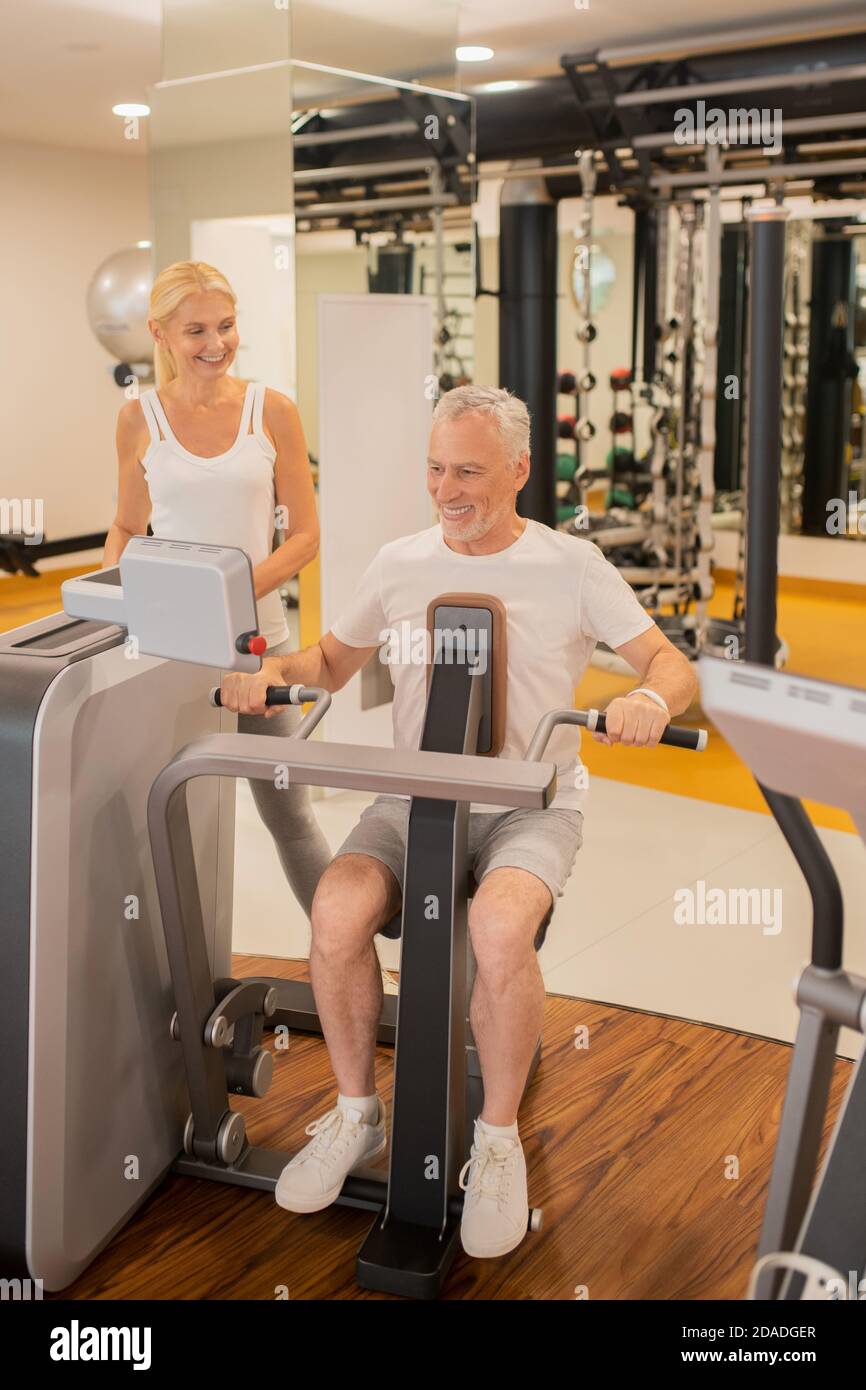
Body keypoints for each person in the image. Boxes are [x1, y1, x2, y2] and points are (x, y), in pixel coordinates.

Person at [218, 384, 698, 1259]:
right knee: (334, 911)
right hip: (412, 798)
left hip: (529, 807)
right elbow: (328, 661)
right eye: (436, 468)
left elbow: (669, 663)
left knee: (498, 927)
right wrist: (262, 670)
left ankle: (499, 1138)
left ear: (520, 469)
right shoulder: (400, 561)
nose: (448, 488)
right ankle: (358, 1112)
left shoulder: (570, 566)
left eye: (469, 470)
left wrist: (646, 698)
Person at [103, 260, 331, 917]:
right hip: (166, 651)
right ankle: (166, 979)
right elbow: (124, 524)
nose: (215, 344)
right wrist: (111, 600)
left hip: (257, 648)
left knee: (290, 816)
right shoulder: (137, 419)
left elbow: (305, 538)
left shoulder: (273, 411)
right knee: (165, 814)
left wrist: (221, 589)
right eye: (196, 330)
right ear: (160, 334)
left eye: (226, 327)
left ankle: (350, 963)